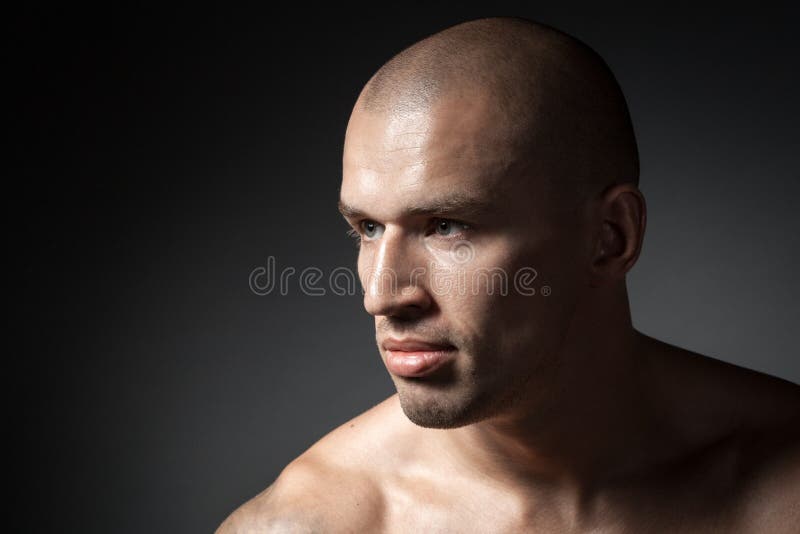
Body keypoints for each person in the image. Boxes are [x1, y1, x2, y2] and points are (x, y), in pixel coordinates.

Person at [218, 16, 800, 533]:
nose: (380, 296)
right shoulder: (308, 525)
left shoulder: (782, 493)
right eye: (368, 228)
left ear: (611, 237)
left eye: (447, 225)